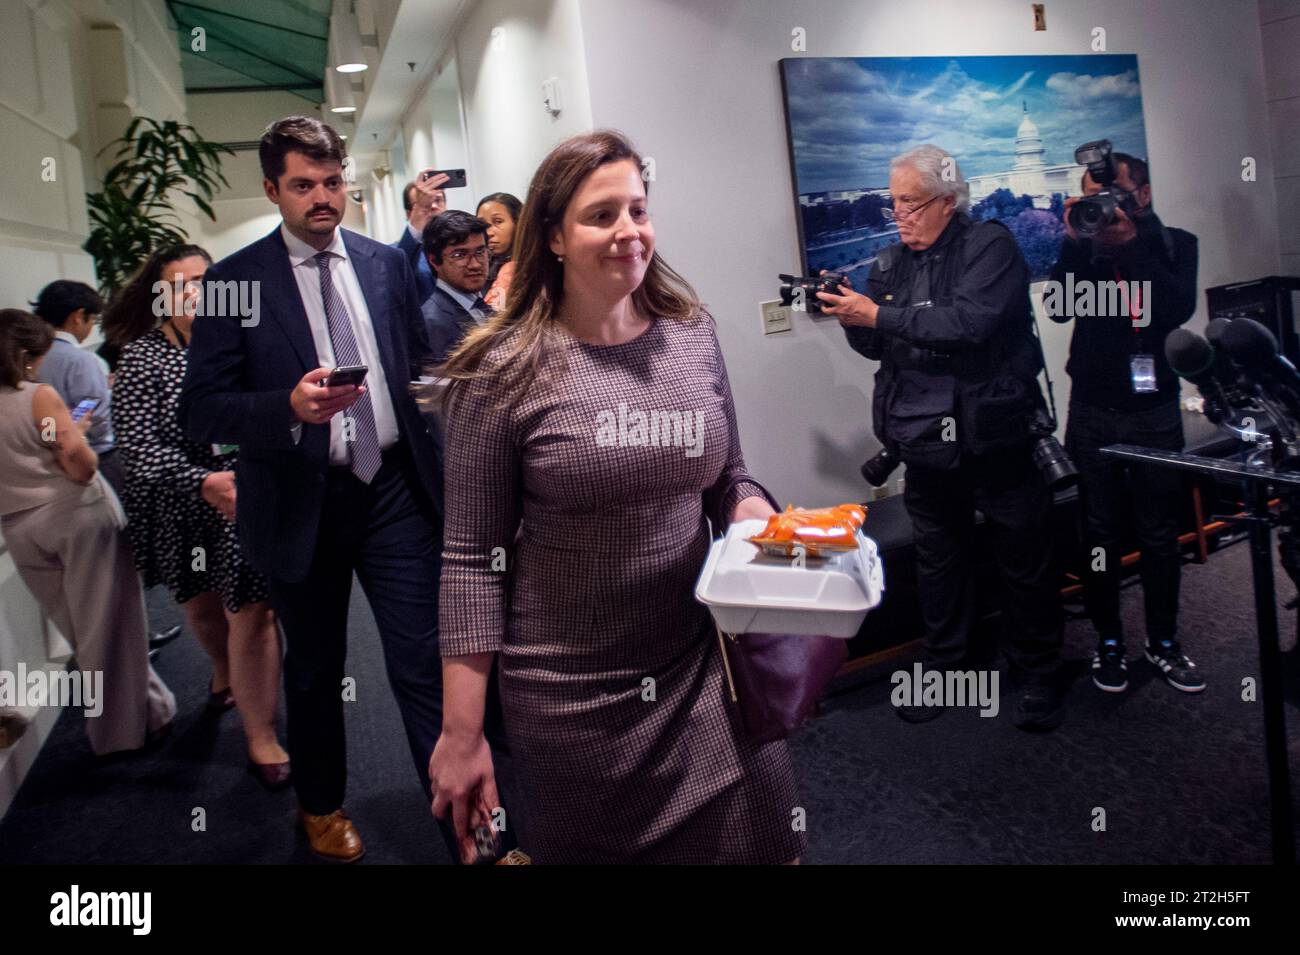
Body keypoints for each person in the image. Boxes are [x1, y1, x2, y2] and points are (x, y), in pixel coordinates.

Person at [428, 130, 806, 865]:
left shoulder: (691, 334)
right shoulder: (499, 370)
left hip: (706, 665)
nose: (629, 230)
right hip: (575, 697)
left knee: (772, 848)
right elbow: (473, 558)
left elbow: (731, 474)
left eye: (638, 208)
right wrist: (462, 732)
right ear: (554, 237)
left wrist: (750, 513)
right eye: (602, 215)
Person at [179, 116, 472, 864]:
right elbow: (202, 408)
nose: (322, 199)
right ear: (272, 188)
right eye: (303, 185)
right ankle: (320, 804)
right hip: (299, 500)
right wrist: (285, 406)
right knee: (314, 670)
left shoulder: (383, 265)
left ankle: (467, 822)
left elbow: (413, 372)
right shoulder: (233, 282)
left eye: (333, 182)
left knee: (424, 659)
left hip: (395, 493)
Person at [818, 143, 1065, 731]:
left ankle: (1039, 671)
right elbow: (881, 346)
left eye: (911, 202)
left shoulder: (991, 246)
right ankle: (949, 667)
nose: (899, 214)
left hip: (996, 436)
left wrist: (876, 315)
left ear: (949, 202)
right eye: (894, 203)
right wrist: (850, 316)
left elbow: (968, 323)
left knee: (1023, 558)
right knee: (939, 562)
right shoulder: (890, 264)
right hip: (925, 441)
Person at [102, 244, 291, 790]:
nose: (194, 293)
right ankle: (223, 668)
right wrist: (200, 481)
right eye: (179, 284)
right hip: (180, 506)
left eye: (204, 281)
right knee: (206, 611)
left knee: (254, 613)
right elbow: (135, 449)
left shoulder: (244, 344)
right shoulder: (141, 358)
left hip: (242, 495)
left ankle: (260, 734)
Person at [1047, 151, 1202, 694]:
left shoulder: (1176, 243)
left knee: (1161, 533)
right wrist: (1074, 240)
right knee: (1099, 534)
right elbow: (1060, 307)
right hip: (1092, 408)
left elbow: (1176, 308)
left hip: (1155, 407)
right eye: (1094, 197)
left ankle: (1163, 641)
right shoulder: (1084, 250)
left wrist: (1131, 245)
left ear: (1144, 194)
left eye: (1112, 194)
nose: (1104, 207)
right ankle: (1108, 642)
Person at [0, 308, 175, 756]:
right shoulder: (37, 397)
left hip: (20, 528)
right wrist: (76, 434)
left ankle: (151, 709)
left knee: (83, 630)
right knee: (113, 624)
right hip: (74, 516)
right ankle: (118, 736)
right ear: (24, 355)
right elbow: (78, 464)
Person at [29, 282, 120, 493]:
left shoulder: (31, 357)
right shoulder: (82, 360)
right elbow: (93, 410)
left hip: (49, 457)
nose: (91, 328)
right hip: (95, 455)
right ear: (78, 316)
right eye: (93, 320)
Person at [420, 210, 494, 365]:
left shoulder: (485, 307)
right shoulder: (432, 321)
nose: (475, 264)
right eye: (460, 255)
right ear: (434, 261)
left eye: (480, 252)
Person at [394, 172, 451, 304]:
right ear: (409, 214)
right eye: (425, 203)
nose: (433, 206)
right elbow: (399, 274)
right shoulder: (395, 253)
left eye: (438, 200)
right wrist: (421, 210)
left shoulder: (463, 245)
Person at [475, 192, 521, 312]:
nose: (488, 232)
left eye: (498, 221)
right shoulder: (480, 265)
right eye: (482, 224)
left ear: (518, 223)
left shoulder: (518, 268)